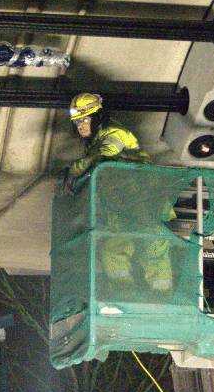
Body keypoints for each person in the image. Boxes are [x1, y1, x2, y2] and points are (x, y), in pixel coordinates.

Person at [65, 93, 172, 292]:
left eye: (85, 119)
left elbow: (104, 156)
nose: (80, 125)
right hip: (122, 203)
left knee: (153, 247)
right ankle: (125, 292)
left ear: (97, 117)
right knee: (113, 248)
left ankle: (162, 294)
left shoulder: (115, 132)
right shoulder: (96, 142)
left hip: (145, 199)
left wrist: (75, 170)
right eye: (77, 121)